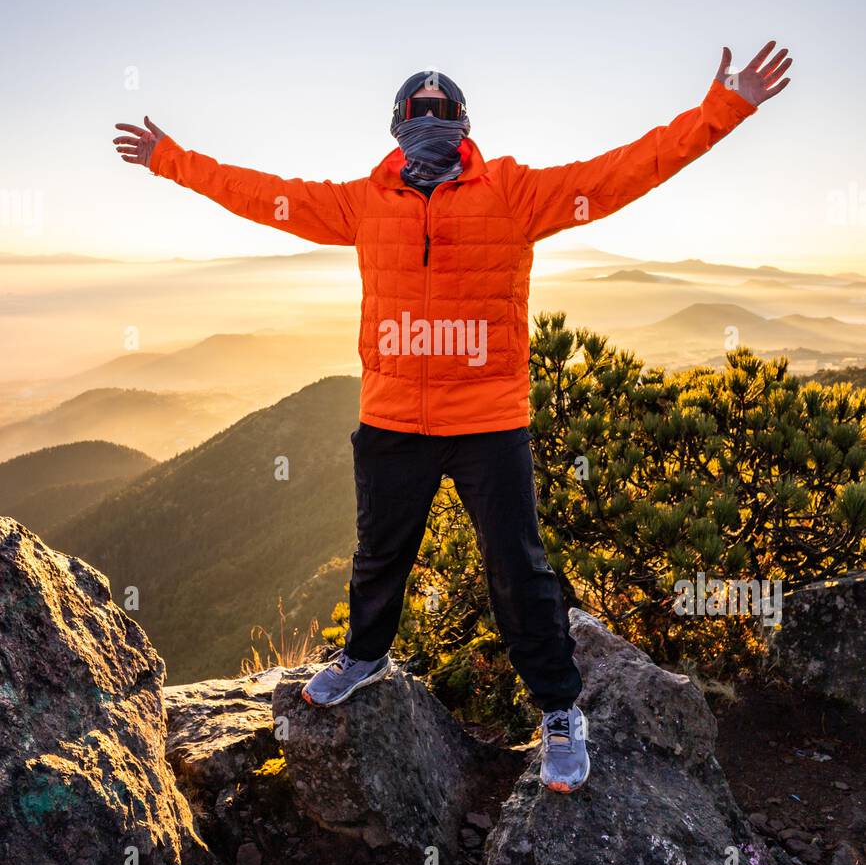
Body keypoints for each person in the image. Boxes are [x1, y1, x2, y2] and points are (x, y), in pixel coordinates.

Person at [114, 42, 792, 792]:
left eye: (441, 110)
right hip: (394, 417)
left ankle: (560, 711)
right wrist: (170, 159)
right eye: (419, 110)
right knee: (379, 555)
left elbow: (624, 172)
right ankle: (365, 657)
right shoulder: (363, 201)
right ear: (399, 124)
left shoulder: (515, 193)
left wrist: (722, 109)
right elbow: (260, 192)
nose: (430, 118)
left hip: (488, 419)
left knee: (519, 571)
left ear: (464, 122)